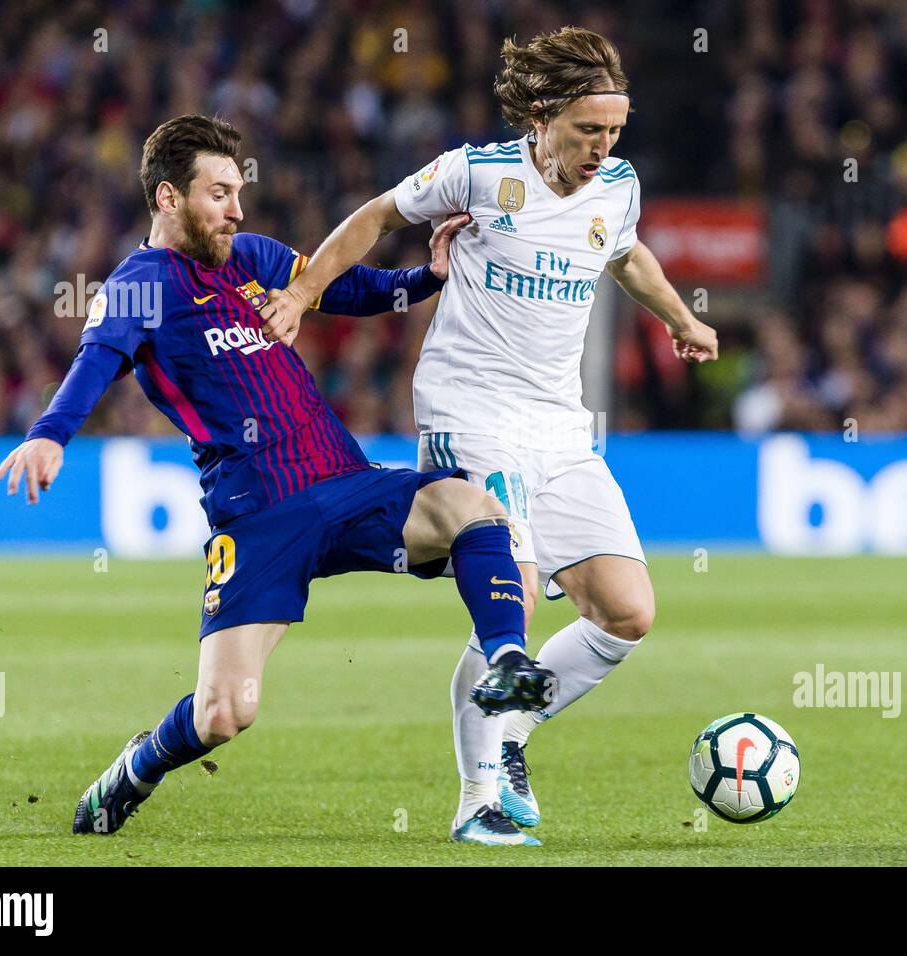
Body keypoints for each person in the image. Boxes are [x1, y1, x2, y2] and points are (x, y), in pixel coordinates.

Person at [0, 114, 555, 846]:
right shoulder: (141, 283)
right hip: (256, 517)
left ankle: (508, 660)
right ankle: (137, 767)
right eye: (219, 193)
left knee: (472, 508)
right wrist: (48, 434)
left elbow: (341, 289)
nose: (237, 209)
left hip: (343, 481)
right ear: (168, 198)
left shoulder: (250, 255)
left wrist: (425, 279)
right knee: (224, 713)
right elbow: (97, 359)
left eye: (238, 191)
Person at [258, 28, 718, 845]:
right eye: (587, 130)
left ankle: (510, 737)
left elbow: (627, 254)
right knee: (512, 574)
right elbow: (375, 217)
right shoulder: (478, 171)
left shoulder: (618, 186)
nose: (602, 147)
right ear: (543, 117)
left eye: (614, 131)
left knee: (627, 613)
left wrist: (682, 318)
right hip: (467, 408)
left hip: (561, 425)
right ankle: (479, 797)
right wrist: (303, 295)